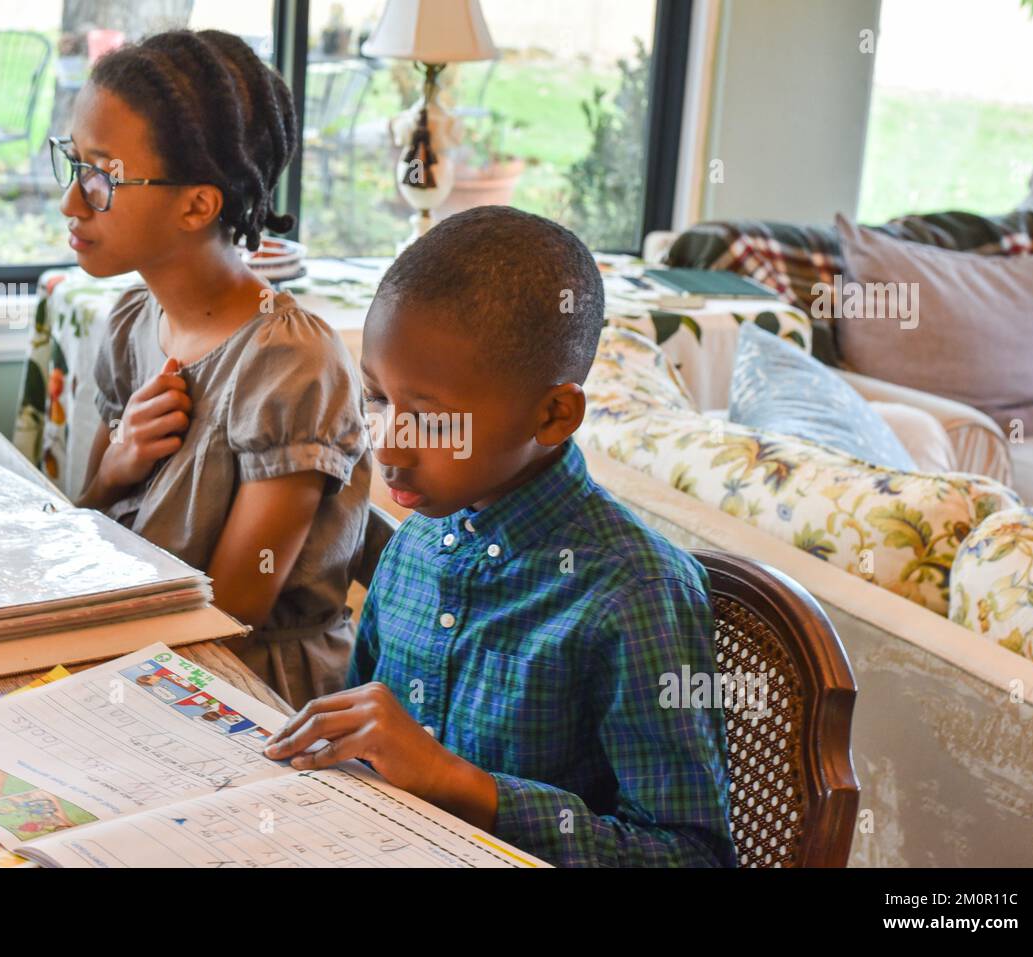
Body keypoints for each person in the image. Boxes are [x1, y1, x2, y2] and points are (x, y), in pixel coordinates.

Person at [263, 206, 737, 867]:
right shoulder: (414, 546)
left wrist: (466, 786)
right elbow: (364, 747)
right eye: (376, 399)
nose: (391, 446)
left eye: (430, 417)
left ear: (553, 413)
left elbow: (695, 855)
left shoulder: (636, 593)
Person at [62, 30, 370, 708]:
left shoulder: (289, 363)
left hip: (246, 700)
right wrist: (115, 466)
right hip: (141, 661)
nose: (72, 202)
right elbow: (82, 532)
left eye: (103, 177)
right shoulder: (129, 323)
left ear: (198, 205)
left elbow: (229, 616)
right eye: (74, 163)